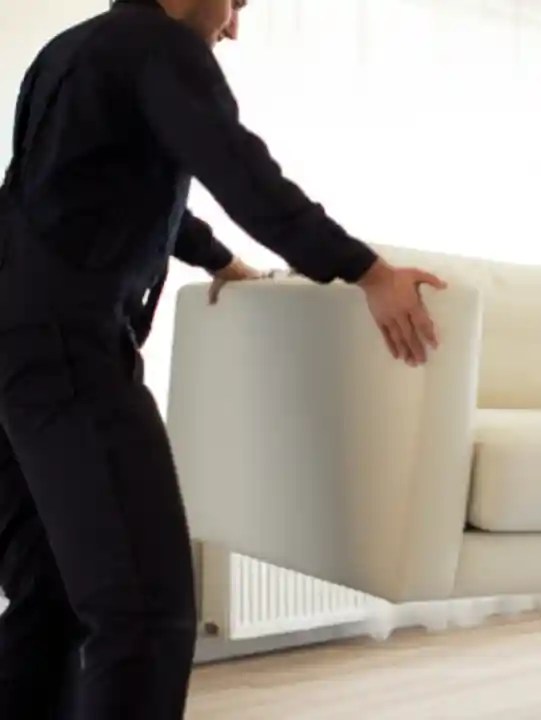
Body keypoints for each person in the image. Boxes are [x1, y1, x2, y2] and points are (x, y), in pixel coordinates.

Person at [0, 0, 447, 717]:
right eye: (236, 1)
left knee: (49, 595)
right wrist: (366, 270)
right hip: (62, 351)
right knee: (147, 615)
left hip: (14, 347)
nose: (235, 25)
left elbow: (95, 188)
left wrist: (219, 260)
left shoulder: (71, 50)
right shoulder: (160, 47)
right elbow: (241, 173)